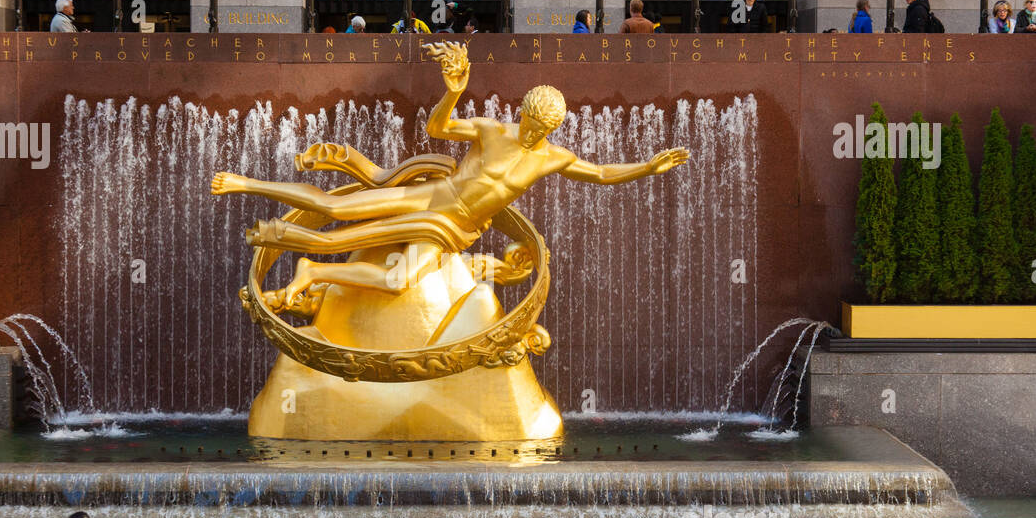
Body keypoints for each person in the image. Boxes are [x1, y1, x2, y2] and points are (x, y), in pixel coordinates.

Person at [210, 41, 688, 308]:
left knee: (397, 282)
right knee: (335, 207)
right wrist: (453, 91)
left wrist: (647, 167)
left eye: (542, 128)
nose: (531, 132)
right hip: (432, 199)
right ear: (522, 113)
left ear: (552, 128)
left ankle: (311, 270)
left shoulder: (553, 157)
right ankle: (247, 183)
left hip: (454, 231)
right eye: (529, 122)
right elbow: (437, 127)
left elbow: (601, 174)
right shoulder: (491, 129)